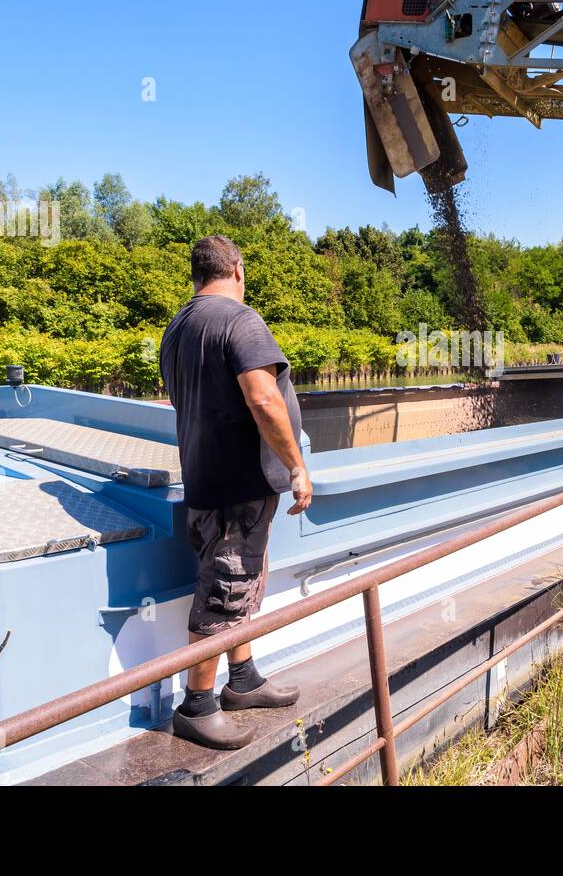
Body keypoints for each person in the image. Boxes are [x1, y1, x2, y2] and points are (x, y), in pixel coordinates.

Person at [159, 235, 312, 749]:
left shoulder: (179, 327)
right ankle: (197, 708)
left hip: (204, 482)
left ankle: (242, 680)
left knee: (240, 587)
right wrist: (296, 466)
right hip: (236, 492)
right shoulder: (240, 321)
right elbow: (262, 396)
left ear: (196, 274)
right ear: (238, 269)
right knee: (226, 592)